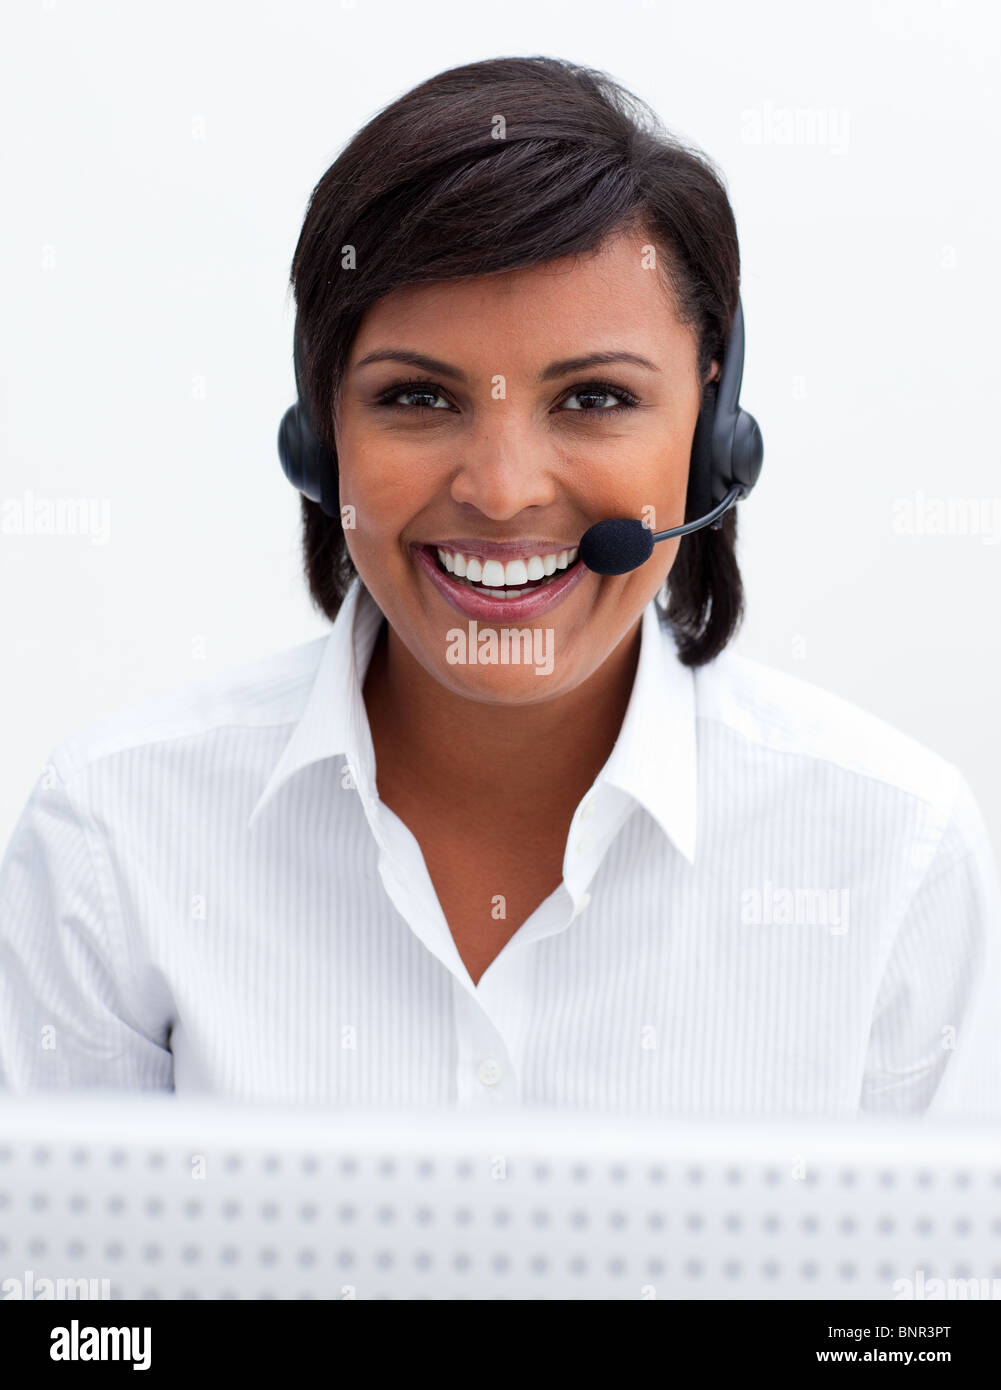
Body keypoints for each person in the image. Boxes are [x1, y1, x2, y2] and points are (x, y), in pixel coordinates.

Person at [1, 56, 998, 1116]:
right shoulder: (116, 837)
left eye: (593, 397)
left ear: (712, 441)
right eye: (417, 397)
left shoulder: (890, 854)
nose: (501, 491)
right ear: (319, 436)